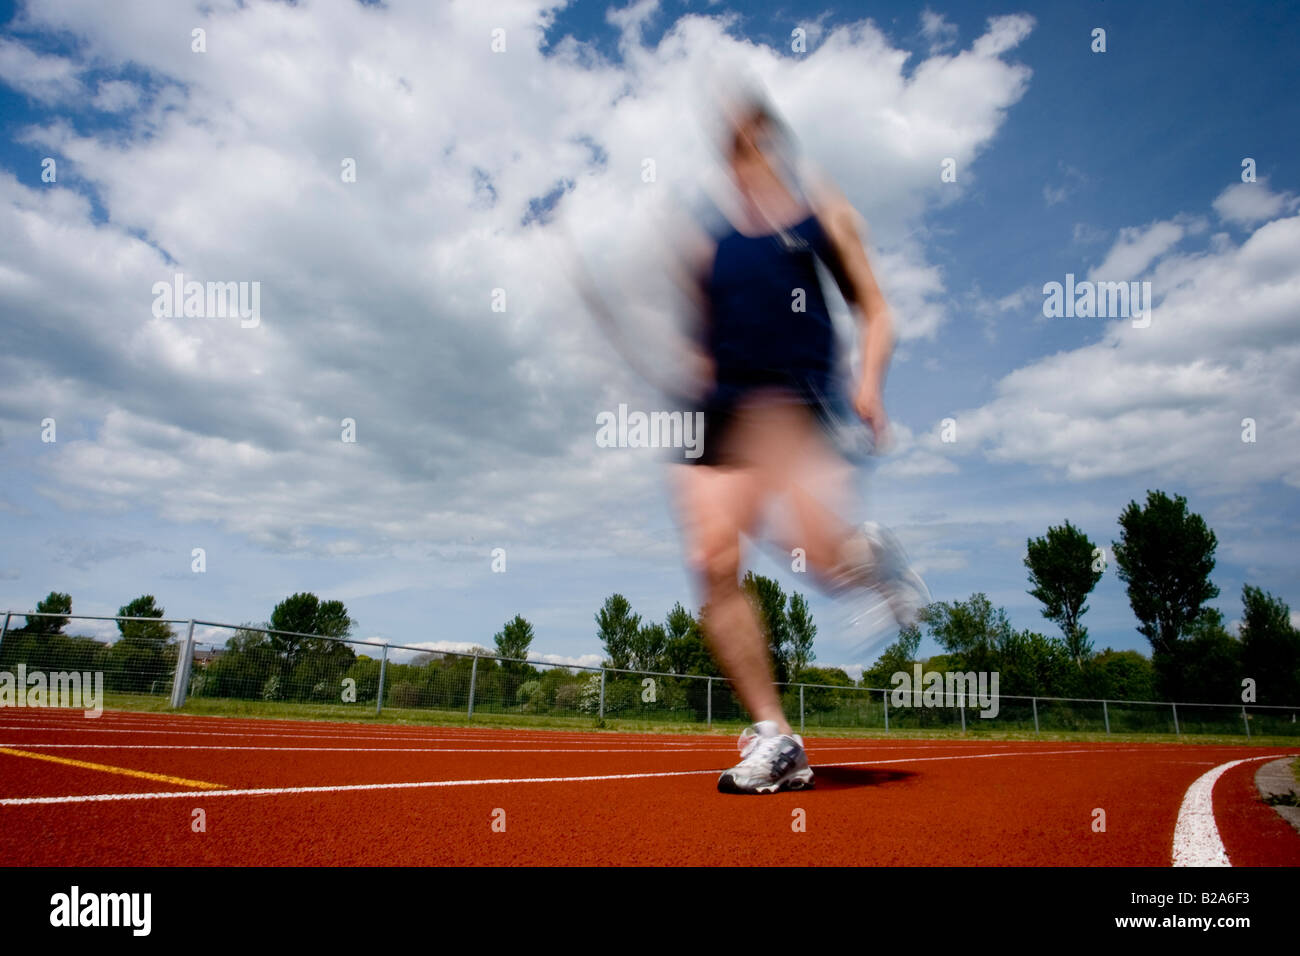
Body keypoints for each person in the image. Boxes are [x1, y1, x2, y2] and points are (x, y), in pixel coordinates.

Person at [669, 88, 930, 794]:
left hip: (796, 399)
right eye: (731, 147)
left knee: (817, 558)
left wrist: (869, 386)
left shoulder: (823, 213)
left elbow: (877, 311)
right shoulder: (708, 241)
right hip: (717, 412)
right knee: (712, 559)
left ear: (773, 145)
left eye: (752, 143)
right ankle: (777, 738)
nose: (742, 159)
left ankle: (869, 560)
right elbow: (699, 335)